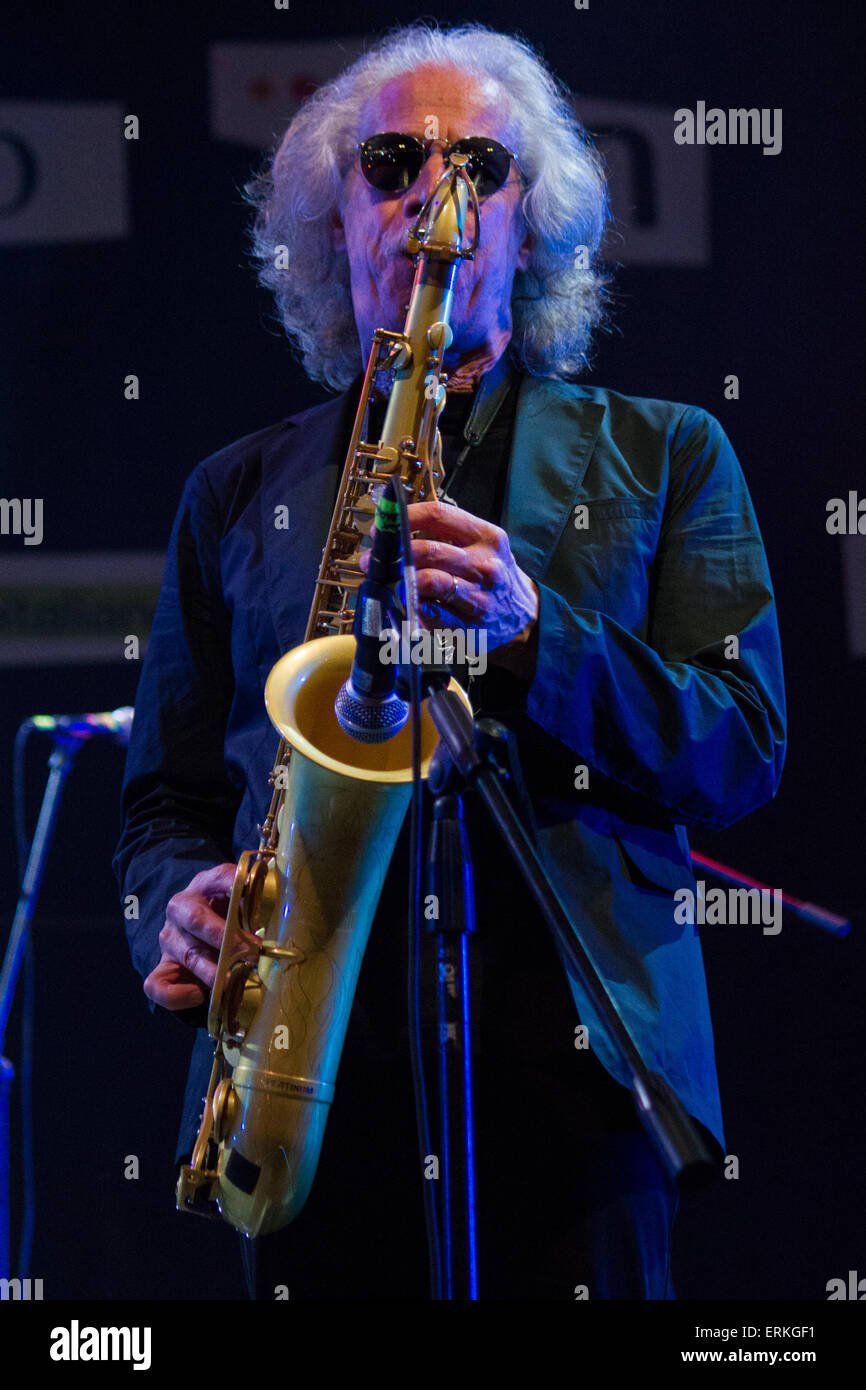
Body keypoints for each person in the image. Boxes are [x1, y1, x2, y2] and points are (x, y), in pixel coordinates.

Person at [113, 22, 786, 1301]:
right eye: (391, 165)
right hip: (310, 1079)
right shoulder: (231, 492)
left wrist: (538, 632)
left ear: (529, 227)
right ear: (333, 228)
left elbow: (742, 746)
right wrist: (179, 904)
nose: (437, 194)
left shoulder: (669, 453)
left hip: (576, 1084)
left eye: (480, 163)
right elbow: (163, 802)